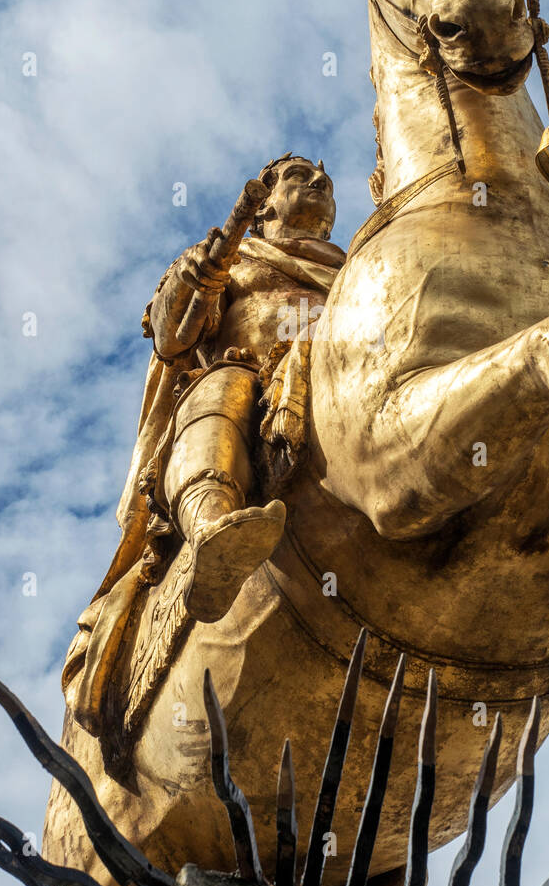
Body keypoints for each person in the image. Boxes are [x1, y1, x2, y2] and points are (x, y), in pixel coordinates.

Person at [61, 154, 344, 734]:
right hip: (251, 386)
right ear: (263, 204)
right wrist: (214, 257)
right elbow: (175, 335)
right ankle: (213, 527)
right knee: (225, 383)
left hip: (334, 378)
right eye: (298, 176)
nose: (318, 182)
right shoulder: (237, 258)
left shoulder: (360, 268)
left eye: (325, 182)